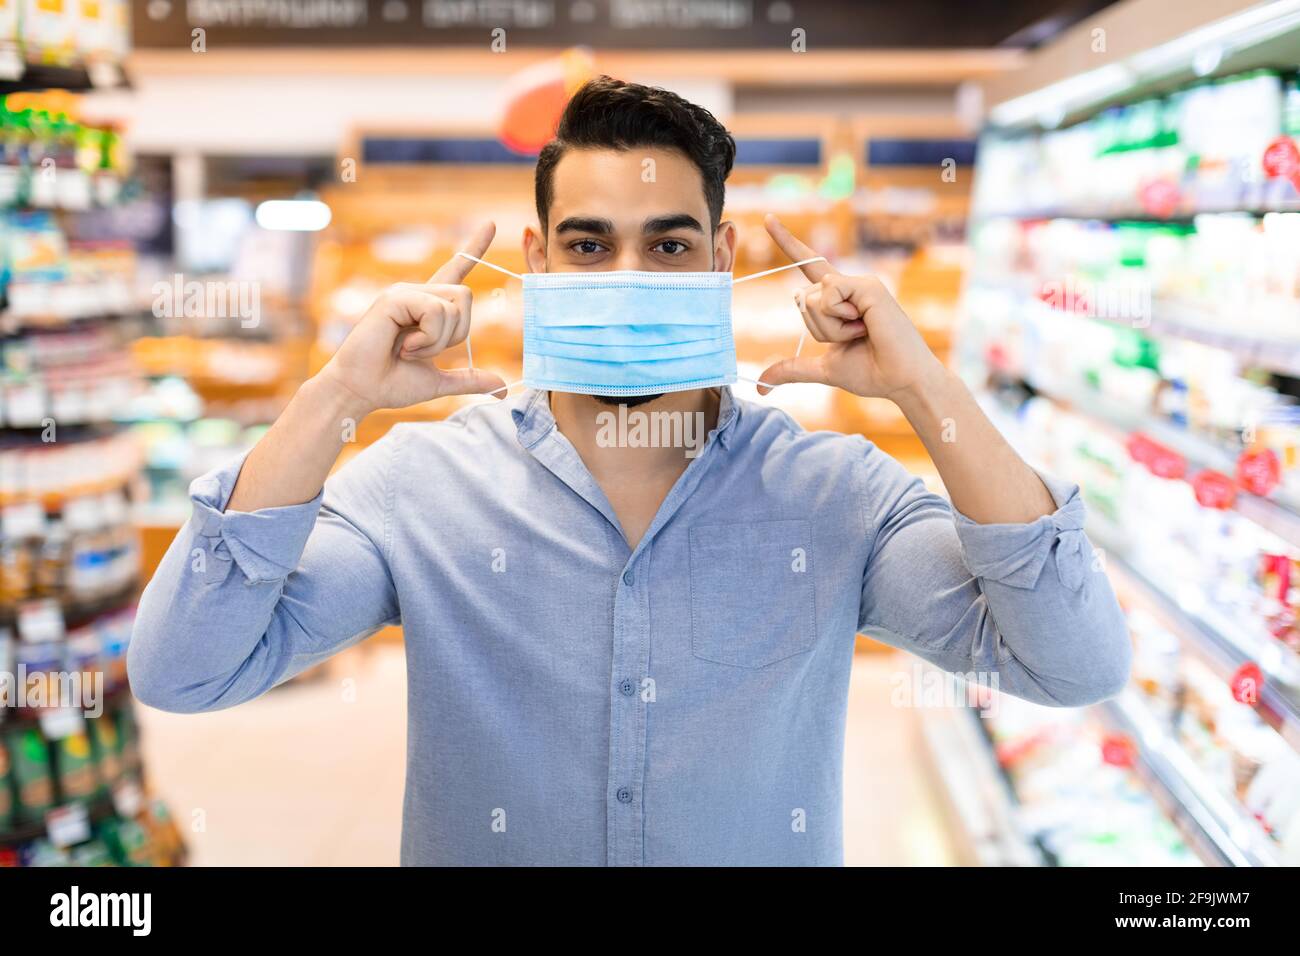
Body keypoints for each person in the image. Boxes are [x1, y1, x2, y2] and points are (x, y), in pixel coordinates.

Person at [128, 76, 1130, 866]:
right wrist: (333, 395)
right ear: (537, 259)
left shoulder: (835, 497)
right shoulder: (422, 485)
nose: (626, 275)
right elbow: (185, 667)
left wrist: (925, 389)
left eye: (668, 243)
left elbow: (1072, 658)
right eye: (587, 243)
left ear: (721, 258)